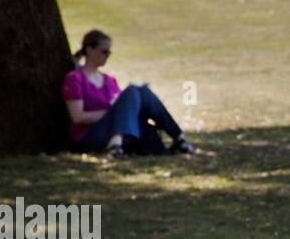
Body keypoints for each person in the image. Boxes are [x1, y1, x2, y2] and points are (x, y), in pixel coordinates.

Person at [63, 30, 196, 158]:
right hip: (91, 136)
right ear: (89, 50)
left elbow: (125, 110)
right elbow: (77, 117)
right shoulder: (75, 78)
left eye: (109, 53)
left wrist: (119, 110)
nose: (107, 56)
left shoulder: (109, 80)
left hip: (113, 129)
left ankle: (179, 138)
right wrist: (114, 111)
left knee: (142, 92)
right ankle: (115, 145)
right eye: (104, 52)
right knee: (132, 91)